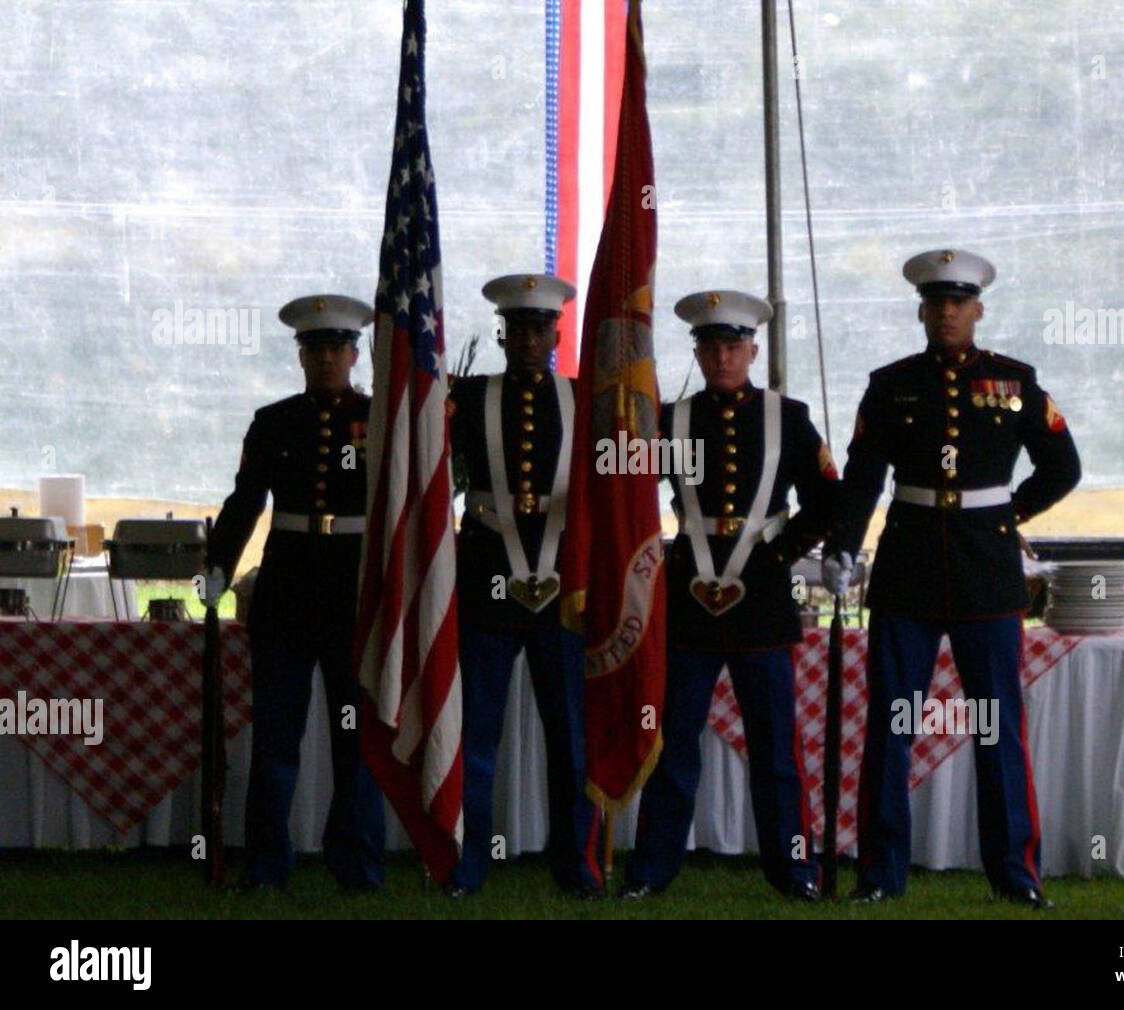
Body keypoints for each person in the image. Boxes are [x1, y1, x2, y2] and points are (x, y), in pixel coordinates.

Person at [822, 249, 1081, 908]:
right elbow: (861, 477)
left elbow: (1063, 467)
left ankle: (1016, 876)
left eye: (958, 303)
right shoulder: (889, 385)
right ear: (921, 310)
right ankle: (880, 875)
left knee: (996, 726)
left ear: (978, 310)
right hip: (907, 569)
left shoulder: (1016, 382)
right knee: (891, 726)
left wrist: (1007, 513)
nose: (946, 313)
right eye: (936, 303)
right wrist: (843, 549)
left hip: (986, 573)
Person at [621, 290, 839, 902]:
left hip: (763, 598)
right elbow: (628, 490)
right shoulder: (670, 420)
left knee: (775, 749)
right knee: (673, 745)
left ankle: (795, 871)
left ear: (753, 350)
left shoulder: (788, 418)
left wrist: (783, 550)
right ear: (697, 350)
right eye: (710, 347)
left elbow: (828, 499)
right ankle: (651, 871)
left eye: (733, 347)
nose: (721, 358)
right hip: (689, 594)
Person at [206, 293, 386, 892]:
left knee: (353, 737)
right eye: (315, 349)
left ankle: (357, 865)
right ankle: (266, 866)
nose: (327, 358)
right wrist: (217, 568)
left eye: (337, 347)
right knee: (278, 738)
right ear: (300, 356)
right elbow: (245, 503)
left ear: (355, 353)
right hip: (286, 593)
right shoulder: (273, 421)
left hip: (354, 592)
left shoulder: (380, 419)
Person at [444, 273, 602, 898]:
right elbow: (434, 480)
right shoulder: (469, 396)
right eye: (520, 329)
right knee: (477, 737)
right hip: (487, 580)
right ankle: (468, 865)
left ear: (557, 333)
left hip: (564, 588)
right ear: (504, 333)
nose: (531, 339)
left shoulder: (583, 399)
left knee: (570, 740)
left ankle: (577, 866)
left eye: (542, 329)